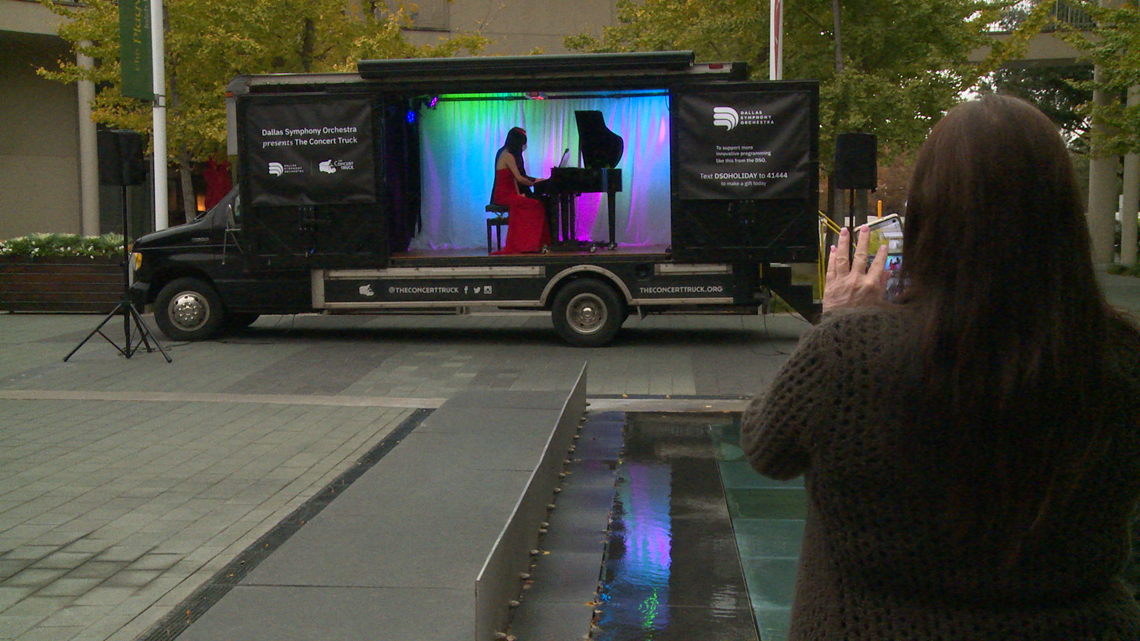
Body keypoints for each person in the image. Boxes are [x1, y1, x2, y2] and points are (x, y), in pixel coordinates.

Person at [741, 95, 1140, 640]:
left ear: (929, 212)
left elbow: (765, 448)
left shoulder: (850, 353)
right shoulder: (1121, 356)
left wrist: (836, 319)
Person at [490, 127, 551, 254]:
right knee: (536, 205)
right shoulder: (508, 156)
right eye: (523, 143)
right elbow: (519, 178)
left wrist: (519, 194)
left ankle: (532, 243)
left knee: (533, 204)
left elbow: (514, 180)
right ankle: (528, 243)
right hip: (503, 195)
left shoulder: (507, 154)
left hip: (510, 193)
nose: (525, 146)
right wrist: (534, 182)